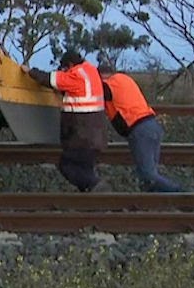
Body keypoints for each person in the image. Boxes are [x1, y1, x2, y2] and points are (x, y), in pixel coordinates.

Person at [27, 50, 109, 191]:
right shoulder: (90, 70)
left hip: (82, 134)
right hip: (94, 133)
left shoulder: (77, 74)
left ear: (70, 64)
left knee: (66, 165)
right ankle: (91, 199)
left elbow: (52, 80)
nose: (65, 71)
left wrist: (30, 71)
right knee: (84, 167)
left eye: (65, 68)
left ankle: (96, 186)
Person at [98, 62, 183, 192]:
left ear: (102, 77)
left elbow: (96, 91)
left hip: (140, 130)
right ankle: (152, 203)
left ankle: (180, 193)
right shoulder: (125, 80)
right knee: (148, 175)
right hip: (151, 125)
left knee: (148, 174)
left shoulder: (111, 83)